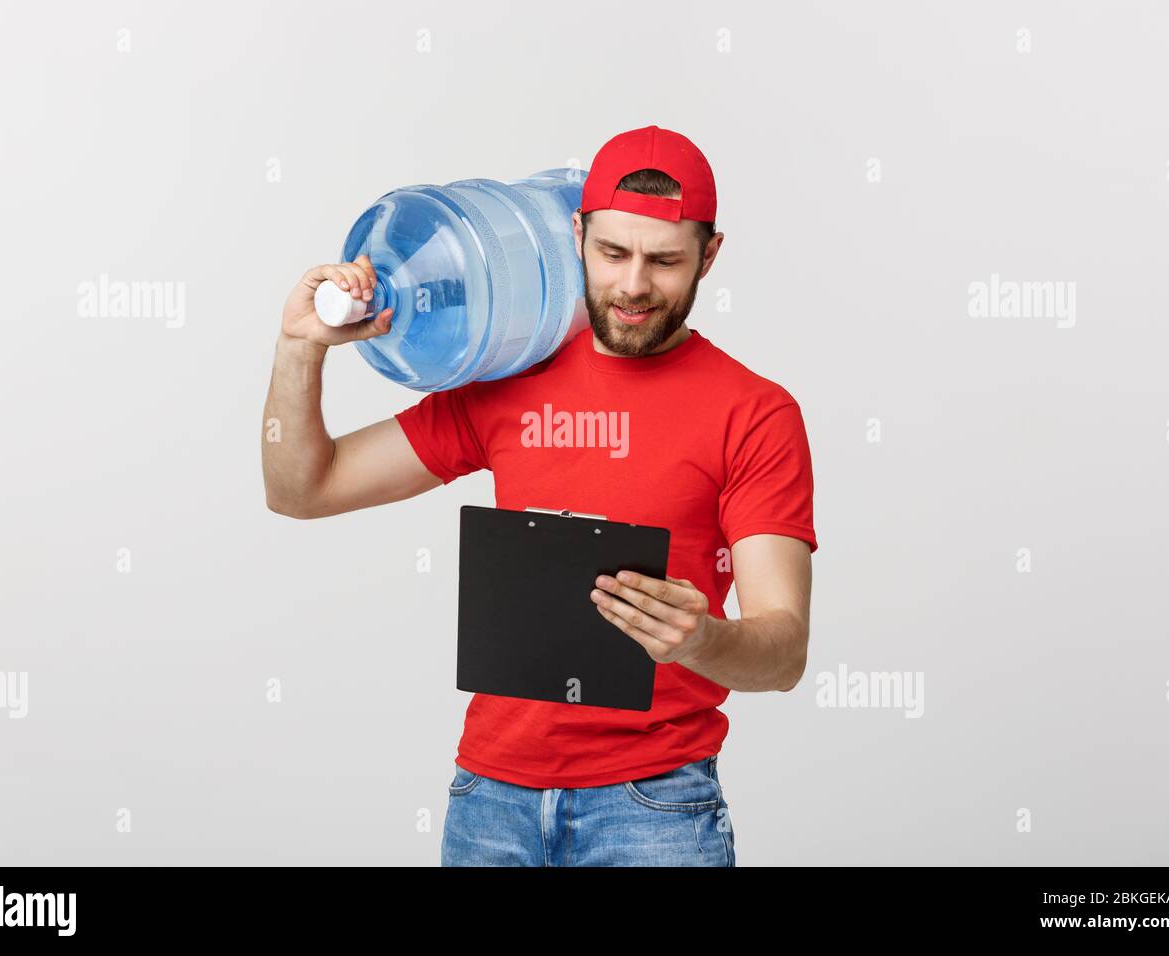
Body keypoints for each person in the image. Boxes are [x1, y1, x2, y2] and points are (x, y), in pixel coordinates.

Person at [260, 125, 817, 866]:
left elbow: (782, 654)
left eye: (666, 260)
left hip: (653, 810)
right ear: (577, 232)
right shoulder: (506, 373)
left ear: (709, 255)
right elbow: (302, 488)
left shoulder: (753, 413)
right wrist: (300, 347)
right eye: (612, 253)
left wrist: (705, 640)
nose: (633, 286)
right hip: (489, 803)